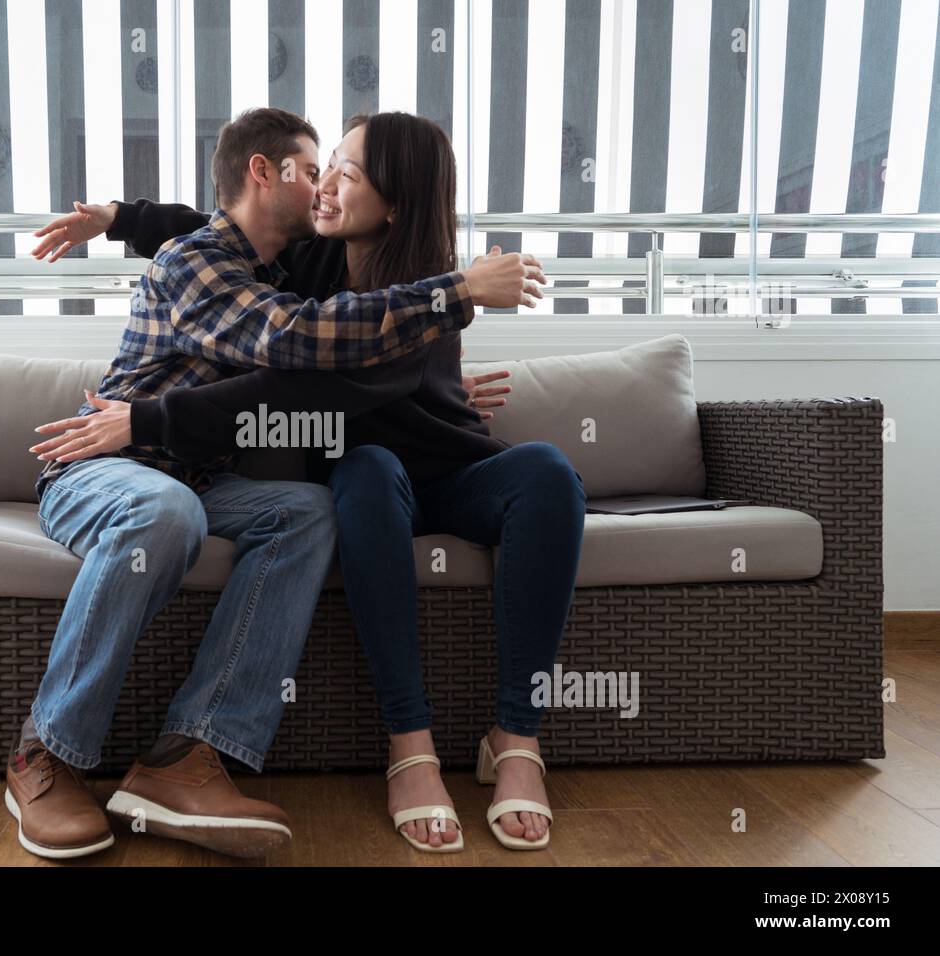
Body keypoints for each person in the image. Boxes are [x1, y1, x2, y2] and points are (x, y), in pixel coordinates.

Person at [37, 111, 585, 853]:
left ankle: (513, 739)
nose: (323, 184)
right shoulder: (301, 271)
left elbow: (301, 350)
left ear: (392, 202)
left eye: (344, 173)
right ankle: (48, 753)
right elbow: (255, 285)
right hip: (187, 469)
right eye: (318, 166)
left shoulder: (365, 290)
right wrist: (118, 223)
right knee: (343, 475)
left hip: (362, 474)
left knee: (516, 476)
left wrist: (438, 363)